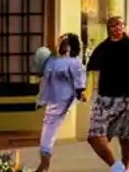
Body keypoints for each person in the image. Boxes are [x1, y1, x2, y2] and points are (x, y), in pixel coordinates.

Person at [86, 16, 129, 172]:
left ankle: (125, 167)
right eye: (113, 26)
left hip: (128, 100)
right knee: (94, 136)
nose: (117, 28)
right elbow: (91, 69)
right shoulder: (103, 48)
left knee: (127, 137)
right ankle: (116, 167)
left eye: (119, 25)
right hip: (105, 99)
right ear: (108, 29)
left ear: (123, 27)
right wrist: (88, 91)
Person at [35, 34, 87, 172]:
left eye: (65, 43)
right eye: (61, 43)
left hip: (63, 99)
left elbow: (79, 81)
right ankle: (44, 163)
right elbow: (45, 79)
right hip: (53, 99)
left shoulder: (74, 63)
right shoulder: (54, 61)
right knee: (47, 131)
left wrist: (80, 92)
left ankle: (44, 165)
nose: (61, 45)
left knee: (49, 131)